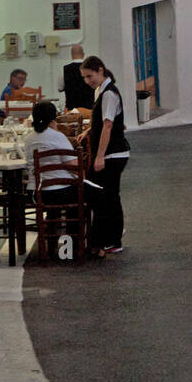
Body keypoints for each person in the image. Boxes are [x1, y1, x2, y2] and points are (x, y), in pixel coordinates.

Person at [81, 54, 130, 255]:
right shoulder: (100, 90)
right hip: (110, 153)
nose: (88, 81)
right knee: (108, 196)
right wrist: (89, 130)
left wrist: (99, 156)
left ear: (100, 70)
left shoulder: (109, 93)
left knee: (107, 196)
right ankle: (110, 236)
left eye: (90, 76)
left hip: (113, 154)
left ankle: (113, 239)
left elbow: (108, 126)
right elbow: (100, 122)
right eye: (84, 77)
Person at [25, 101, 83, 204]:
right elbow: (74, 167)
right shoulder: (57, 136)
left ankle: (52, 217)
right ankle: (76, 219)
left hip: (36, 192)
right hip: (59, 191)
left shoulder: (28, 139)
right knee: (99, 192)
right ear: (53, 118)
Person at [59, 43, 90, 111]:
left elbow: (60, 88)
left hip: (72, 109)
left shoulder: (64, 69)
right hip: (89, 109)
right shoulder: (90, 68)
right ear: (83, 54)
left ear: (71, 55)